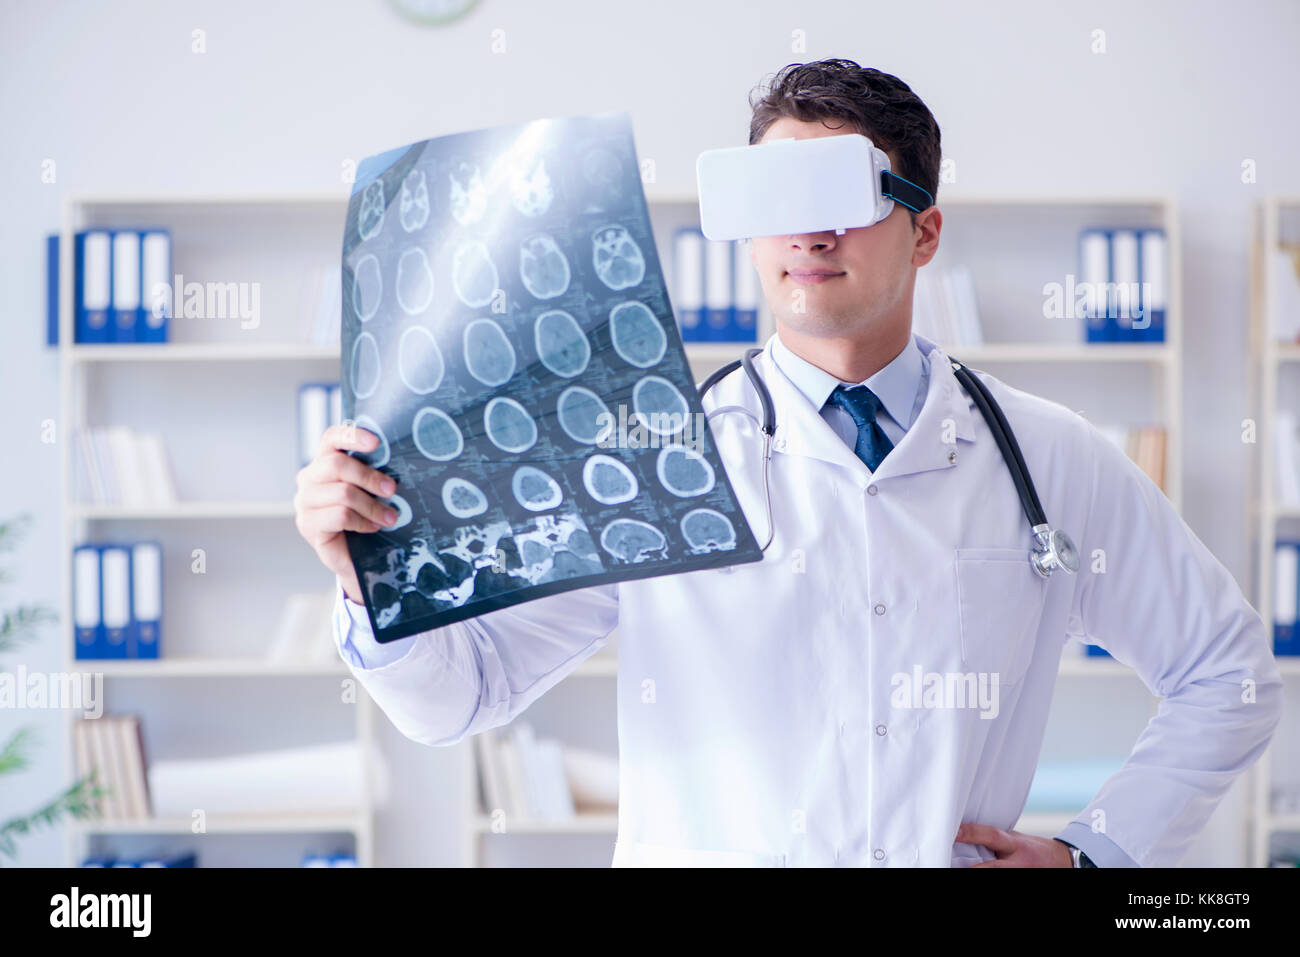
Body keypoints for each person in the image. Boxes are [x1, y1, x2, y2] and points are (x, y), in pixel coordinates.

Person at [294, 59, 1281, 867]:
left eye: (843, 199)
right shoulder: (646, 455)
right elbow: (458, 697)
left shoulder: (1047, 454)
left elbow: (1227, 673)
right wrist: (362, 578)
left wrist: (1095, 852)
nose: (807, 234)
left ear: (924, 230)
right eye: (776, 200)